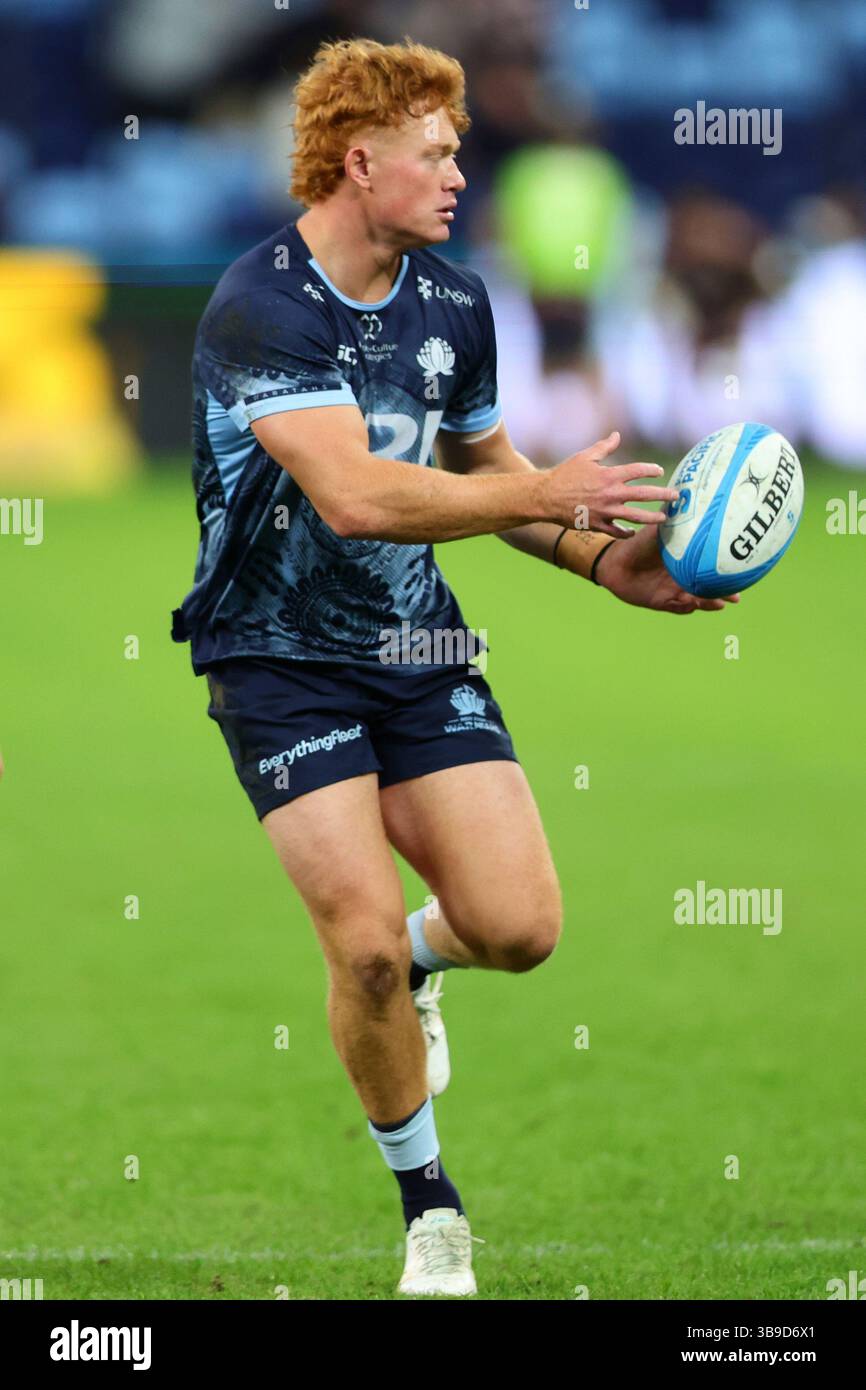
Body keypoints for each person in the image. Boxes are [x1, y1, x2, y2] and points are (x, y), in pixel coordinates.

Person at [171, 37, 736, 1297]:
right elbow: (359, 495)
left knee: (520, 929)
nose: (459, 175)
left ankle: (430, 965)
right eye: (437, 153)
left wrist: (606, 564)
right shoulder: (260, 302)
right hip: (277, 662)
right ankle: (429, 1205)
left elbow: (487, 486)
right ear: (359, 161)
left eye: (460, 151)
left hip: (415, 650)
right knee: (357, 945)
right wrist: (541, 489)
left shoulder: (452, 301)